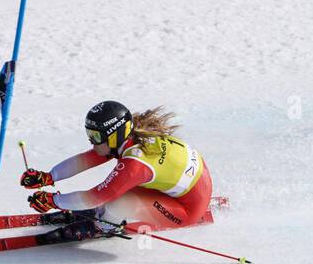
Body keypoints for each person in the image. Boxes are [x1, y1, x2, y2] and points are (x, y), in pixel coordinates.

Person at [19, 100, 213, 236]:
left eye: (95, 136)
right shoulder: (130, 135)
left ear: (113, 135)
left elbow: (95, 196)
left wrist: (54, 200)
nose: (91, 141)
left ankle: (106, 226)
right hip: (190, 186)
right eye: (89, 135)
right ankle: (106, 213)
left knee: (117, 202)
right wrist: (49, 176)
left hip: (187, 210)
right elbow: (89, 158)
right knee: (118, 188)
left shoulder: (135, 164)